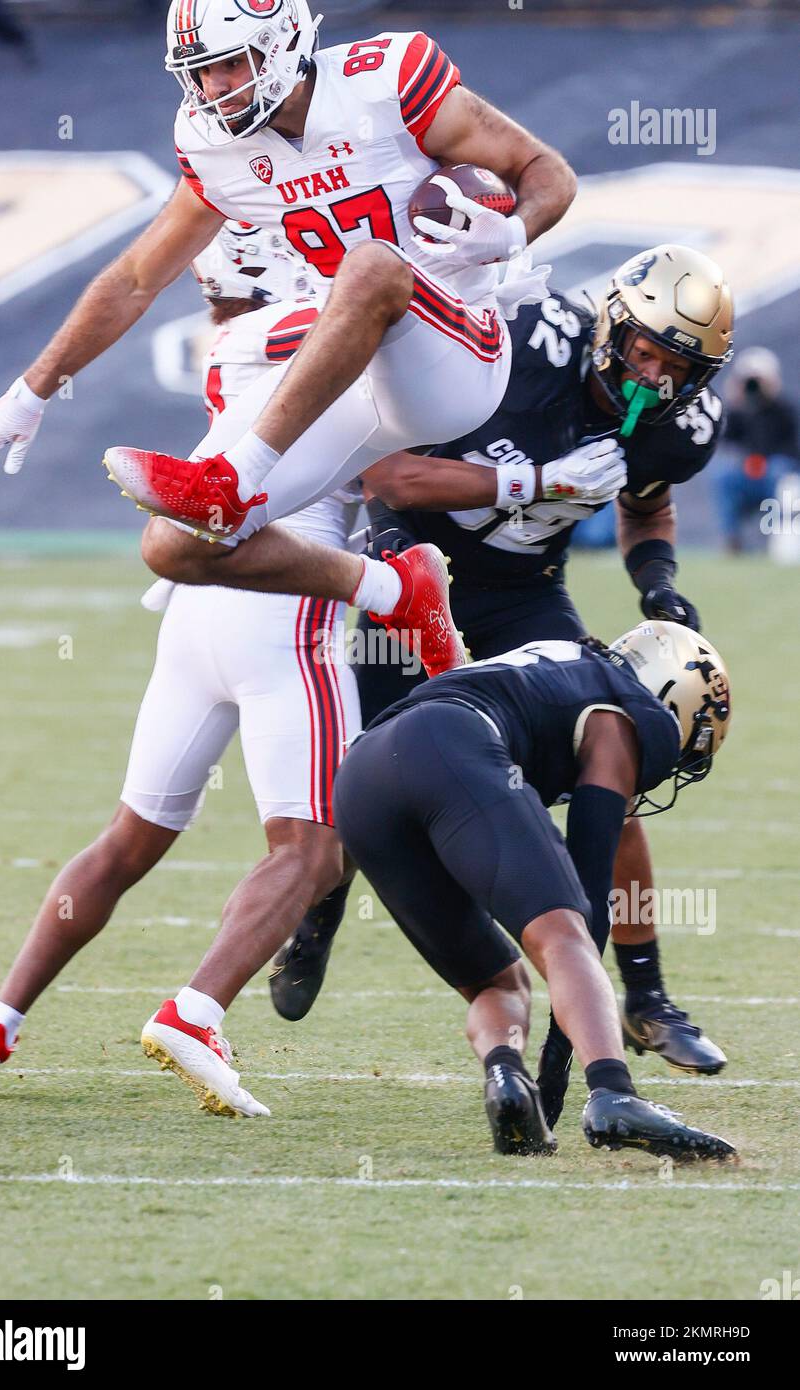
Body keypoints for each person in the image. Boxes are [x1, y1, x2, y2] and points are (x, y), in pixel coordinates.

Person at [0, 0, 586, 679]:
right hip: (351, 372)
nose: (213, 88)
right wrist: (30, 391)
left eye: (227, 63)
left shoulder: (387, 81)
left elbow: (548, 172)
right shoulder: (214, 143)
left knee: (370, 265)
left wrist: (512, 232)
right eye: (199, 72)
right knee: (174, 547)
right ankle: (396, 589)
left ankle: (234, 479)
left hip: (457, 352)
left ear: (282, 42)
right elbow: (137, 277)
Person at [272, 244, 735, 1090]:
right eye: (645, 352)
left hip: (524, 590)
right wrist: (535, 481)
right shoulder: (518, 343)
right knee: (373, 769)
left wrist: (657, 580)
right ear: (611, 324)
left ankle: (646, 994)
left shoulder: (674, 430)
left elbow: (648, 502)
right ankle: (319, 911)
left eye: (677, 368)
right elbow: (390, 476)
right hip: (418, 567)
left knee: (615, 753)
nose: (653, 379)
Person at [0, 225, 360, 1118]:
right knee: (312, 851)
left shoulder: (231, 345)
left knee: (127, 840)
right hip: (285, 597)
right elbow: (400, 470)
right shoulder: (341, 327)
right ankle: (196, 1012)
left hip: (192, 611)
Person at [332, 625, 735, 1160]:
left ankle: (505, 1077)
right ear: (669, 698)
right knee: (563, 934)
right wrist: (564, 1062)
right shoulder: (619, 716)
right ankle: (615, 1094)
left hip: (362, 780)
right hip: (448, 741)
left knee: (497, 984)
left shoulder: (564, 661)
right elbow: (587, 896)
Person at [716, 347, 798, 552]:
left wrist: (766, 460)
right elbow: (725, 438)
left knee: (777, 471)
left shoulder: (784, 409)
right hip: (748, 471)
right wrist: (735, 403)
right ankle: (732, 540)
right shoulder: (741, 409)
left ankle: (779, 540)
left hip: (778, 471)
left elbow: (794, 446)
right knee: (722, 476)